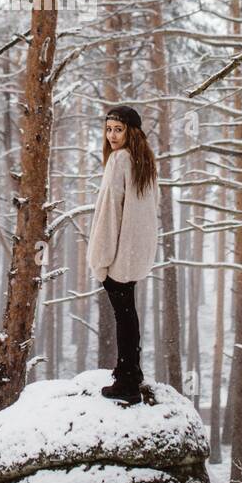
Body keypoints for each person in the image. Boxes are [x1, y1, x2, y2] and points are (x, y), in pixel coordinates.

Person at [86, 104, 160, 405]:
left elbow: (109, 215)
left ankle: (127, 381)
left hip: (117, 255)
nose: (112, 135)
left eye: (119, 129)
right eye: (109, 129)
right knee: (129, 315)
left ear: (131, 131)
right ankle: (131, 370)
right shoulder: (145, 161)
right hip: (136, 254)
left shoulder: (119, 160)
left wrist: (99, 259)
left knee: (124, 317)